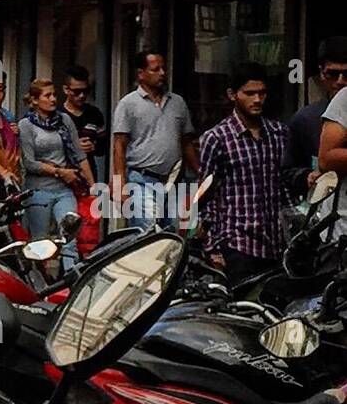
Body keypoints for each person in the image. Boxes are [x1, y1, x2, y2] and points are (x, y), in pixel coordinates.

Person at [198, 63, 289, 286]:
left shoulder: (279, 133)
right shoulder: (217, 138)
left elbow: (285, 185)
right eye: (249, 93)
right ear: (232, 95)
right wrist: (213, 249)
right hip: (237, 243)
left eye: (261, 93)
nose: (257, 100)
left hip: (277, 244)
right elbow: (204, 197)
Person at [111, 51, 197, 230]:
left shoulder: (177, 103)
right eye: (155, 69)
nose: (162, 73)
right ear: (141, 73)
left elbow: (186, 141)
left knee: (172, 235)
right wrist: (120, 183)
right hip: (141, 178)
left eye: (163, 68)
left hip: (173, 180)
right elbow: (119, 145)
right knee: (147, 234)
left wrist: (200, 170)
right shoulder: (129, 104)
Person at [19, 78, 92, 269]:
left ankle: (71, 278)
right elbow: (29, 163)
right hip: (38, 191)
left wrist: (92, 186)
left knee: (70, 238)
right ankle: (42, 286)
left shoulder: (64, 120)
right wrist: (59, 171)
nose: (52, 99)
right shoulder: (26, 125)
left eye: (54, 95)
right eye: (47, 95)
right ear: (35, 100)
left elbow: (79, 154)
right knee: (40, 243)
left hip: (64, 190)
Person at [285, 37, 347, 198]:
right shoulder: (305, 119)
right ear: (321, 73)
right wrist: (306, 176)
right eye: (333, 74)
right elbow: (286, 171)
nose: (340, 81)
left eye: (346, 74)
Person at [62, 65, 107, 182]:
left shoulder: (94, 114)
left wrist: (93, 147)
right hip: (62, 175)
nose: (81, 96)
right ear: (66, 90)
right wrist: (74, 147)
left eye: (85, 91)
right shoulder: (57, 115)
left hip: (89, 175)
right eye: (77, 92)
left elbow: (104, 147)